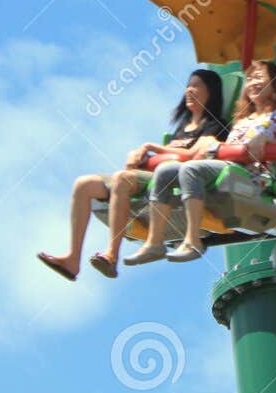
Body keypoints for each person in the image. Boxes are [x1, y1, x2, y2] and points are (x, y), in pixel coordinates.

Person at [37, 69, 229, 281]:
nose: (190, 90)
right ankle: (72, 259)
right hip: (152, 177)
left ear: (211, 92)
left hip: (173, 181)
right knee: (84, 184)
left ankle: (111, 254)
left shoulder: (214, 125)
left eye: (197, 86)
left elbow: (194, 155)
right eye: (188, 85)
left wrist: (152, 148)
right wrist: (140, 155)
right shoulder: (182, 129)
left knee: (121, 179)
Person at [125, 60, 276, 266]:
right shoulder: (242, 120)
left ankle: (192, 241)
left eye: (259, 78)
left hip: (252, 174)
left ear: (275, 83)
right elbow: (215, 150)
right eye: (249, 79)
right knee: (166, 171)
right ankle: (154, 243)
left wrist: (265, 139)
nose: (253, 83)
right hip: (227, 165)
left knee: (190, 170)